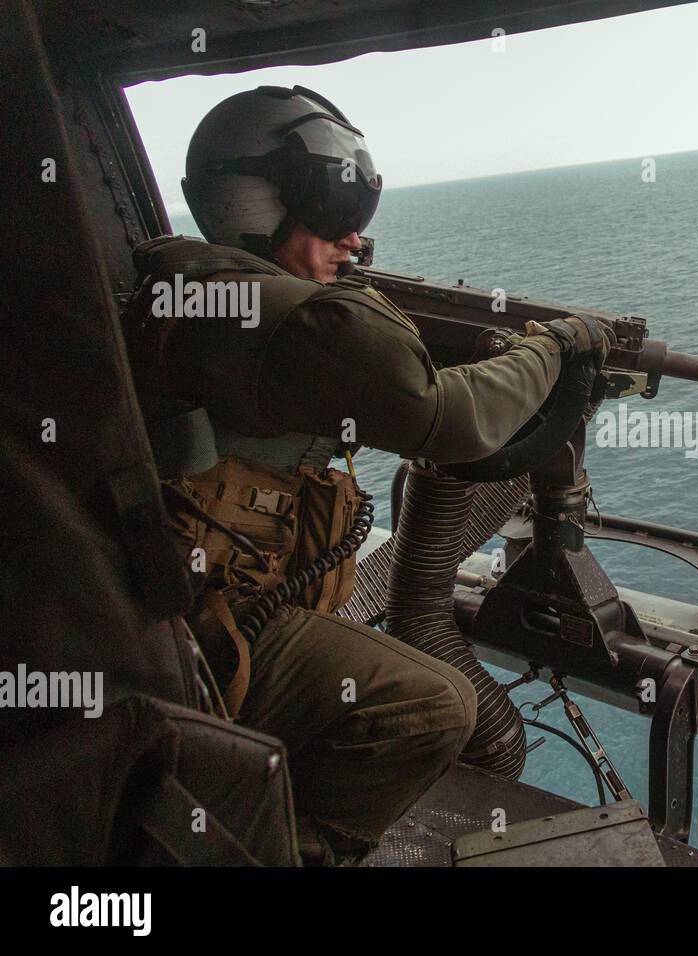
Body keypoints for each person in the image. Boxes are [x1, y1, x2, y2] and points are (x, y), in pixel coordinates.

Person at [122, 85, 611, 864]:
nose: (354, 234)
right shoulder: (293, 319)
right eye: (334, 199)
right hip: (185, 635)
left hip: (156, 613)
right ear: (259, 193)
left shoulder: (184, 284)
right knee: (429, 705)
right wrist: (553, 349)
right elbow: (449, 421)